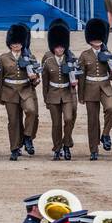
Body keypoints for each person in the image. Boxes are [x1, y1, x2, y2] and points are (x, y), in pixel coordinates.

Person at [77, 18, 112, 161]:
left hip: (105, 87)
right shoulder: (84, 55)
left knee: (111, 109)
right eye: (94, 38)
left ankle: (105, 134)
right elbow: (81, 77)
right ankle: (93, 149)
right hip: (90, 88)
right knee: (93, 120)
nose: (97, 41)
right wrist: (80, 95)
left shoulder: (108, 53)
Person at [0, 24, 39, 160]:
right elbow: (0, 80)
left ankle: (27, 136)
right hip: (10, 92)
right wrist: (0, 97)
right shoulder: (3, 58)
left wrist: (34, 79)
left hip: (26, 90)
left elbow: (36, 79)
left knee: (31, 111)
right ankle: (15, 148)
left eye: (18, 43)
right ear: (10, 44)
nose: (16, 45)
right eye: (13, 43)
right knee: (13, 121)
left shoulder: (30, 57)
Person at [42, 22, 78, 161]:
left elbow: (78, 74)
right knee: (56, 124)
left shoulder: (71, 58)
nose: (60, 49)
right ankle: (57, 148)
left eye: (62, 46)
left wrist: (75, 81)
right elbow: (45, 82)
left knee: (69, 119)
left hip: (67, 93)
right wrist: (46, 98)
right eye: (57, 47)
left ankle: (67, 144)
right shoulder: (48, 60)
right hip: (53, 95)